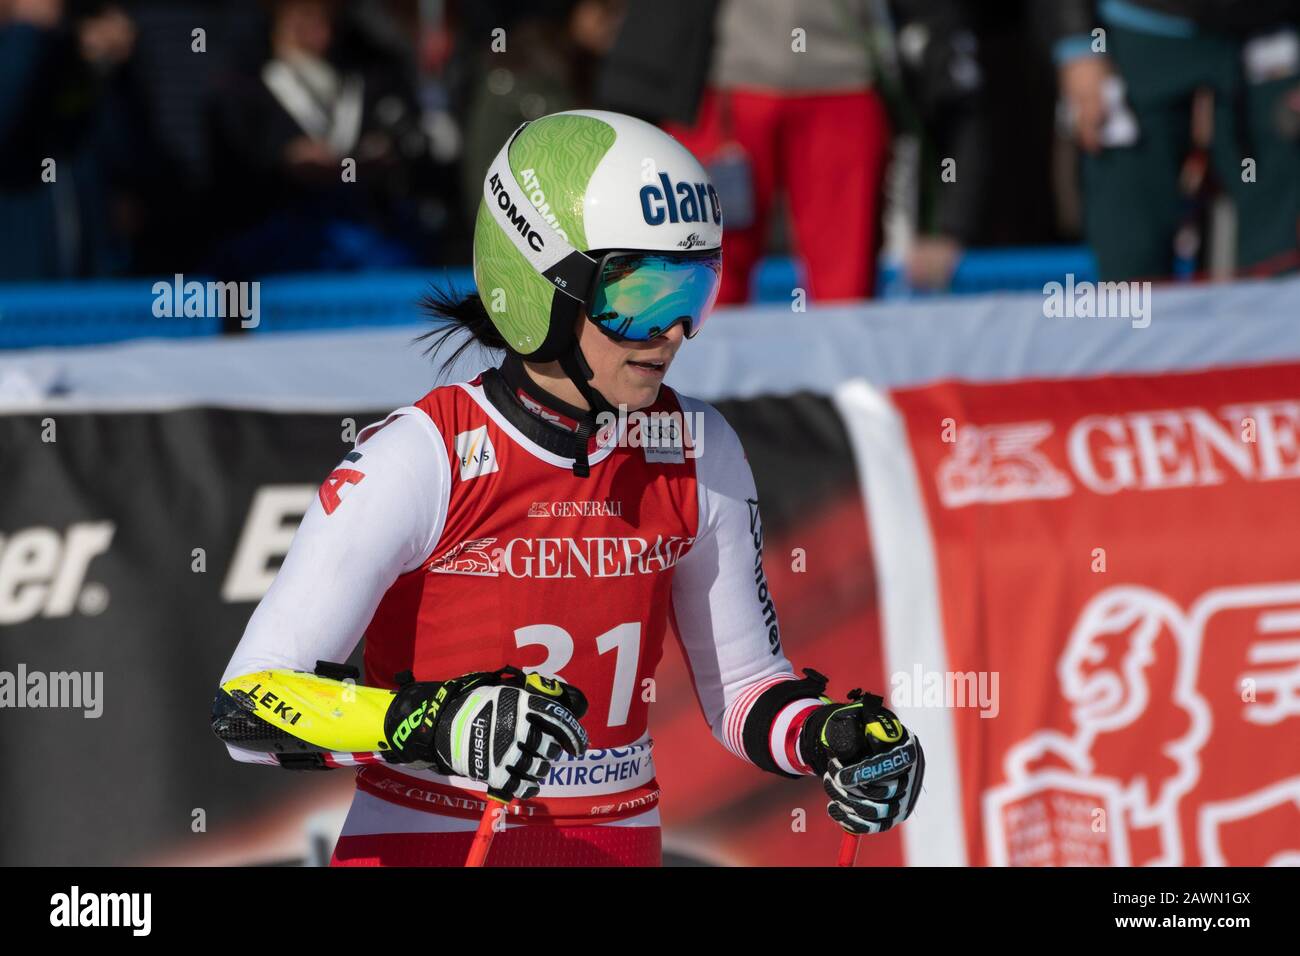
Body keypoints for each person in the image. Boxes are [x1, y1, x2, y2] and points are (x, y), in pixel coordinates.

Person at [211, 109, 924, 867]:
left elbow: (744, 689)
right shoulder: (426, 455)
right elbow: (250, 704)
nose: (674, 332)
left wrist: (826, 737)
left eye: (696, 292)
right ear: (542, 285)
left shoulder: (695, 446)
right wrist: (438, 723)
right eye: (643, 295)